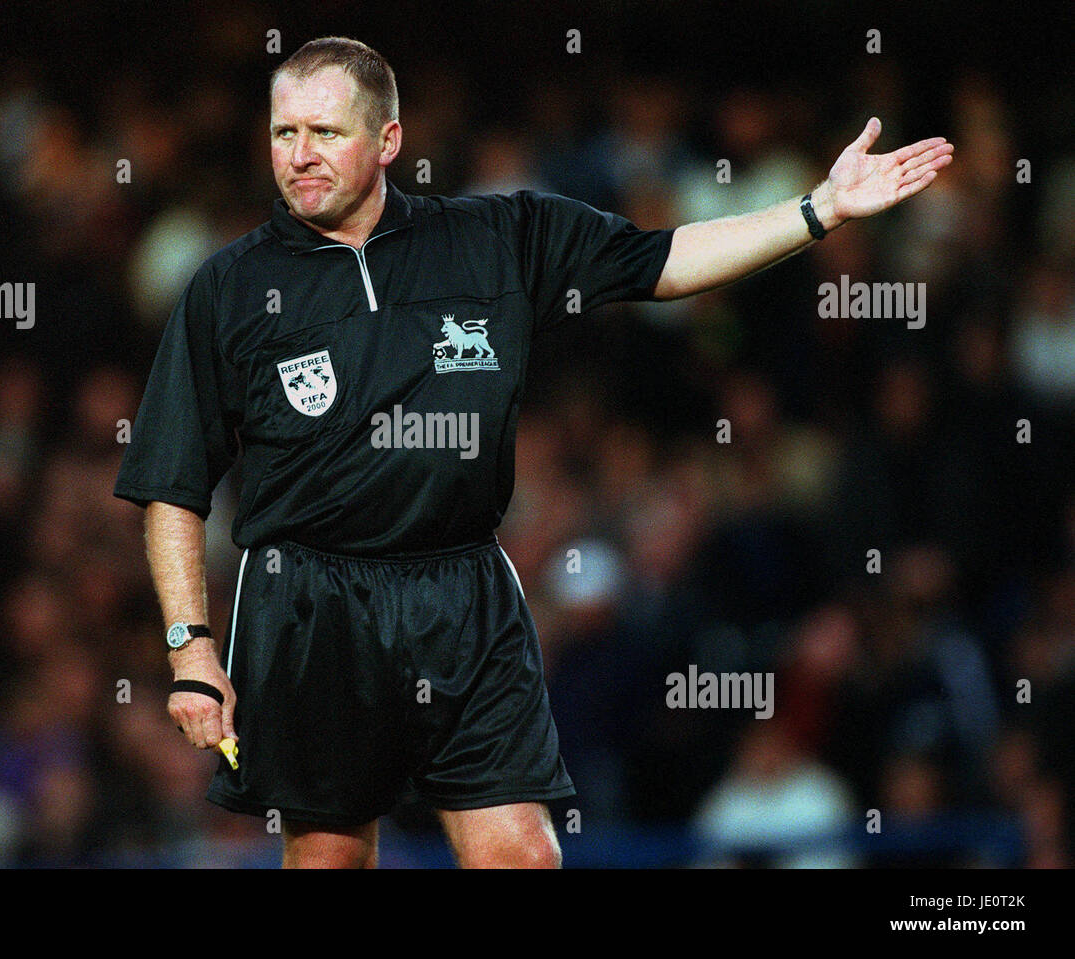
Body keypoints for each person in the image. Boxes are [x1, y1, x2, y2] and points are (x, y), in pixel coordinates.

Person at [113, 36, 953, 868]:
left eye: (325, 133)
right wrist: (191, 650)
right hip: (311, 603)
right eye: (283, 132)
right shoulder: (227, 289)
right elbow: (173, 483)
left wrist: (818, 211)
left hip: (464, 590)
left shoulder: (496, 237)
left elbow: (662, 261)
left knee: (523, 852)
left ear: (388, 140)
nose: (299, 155)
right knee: (331, 857)